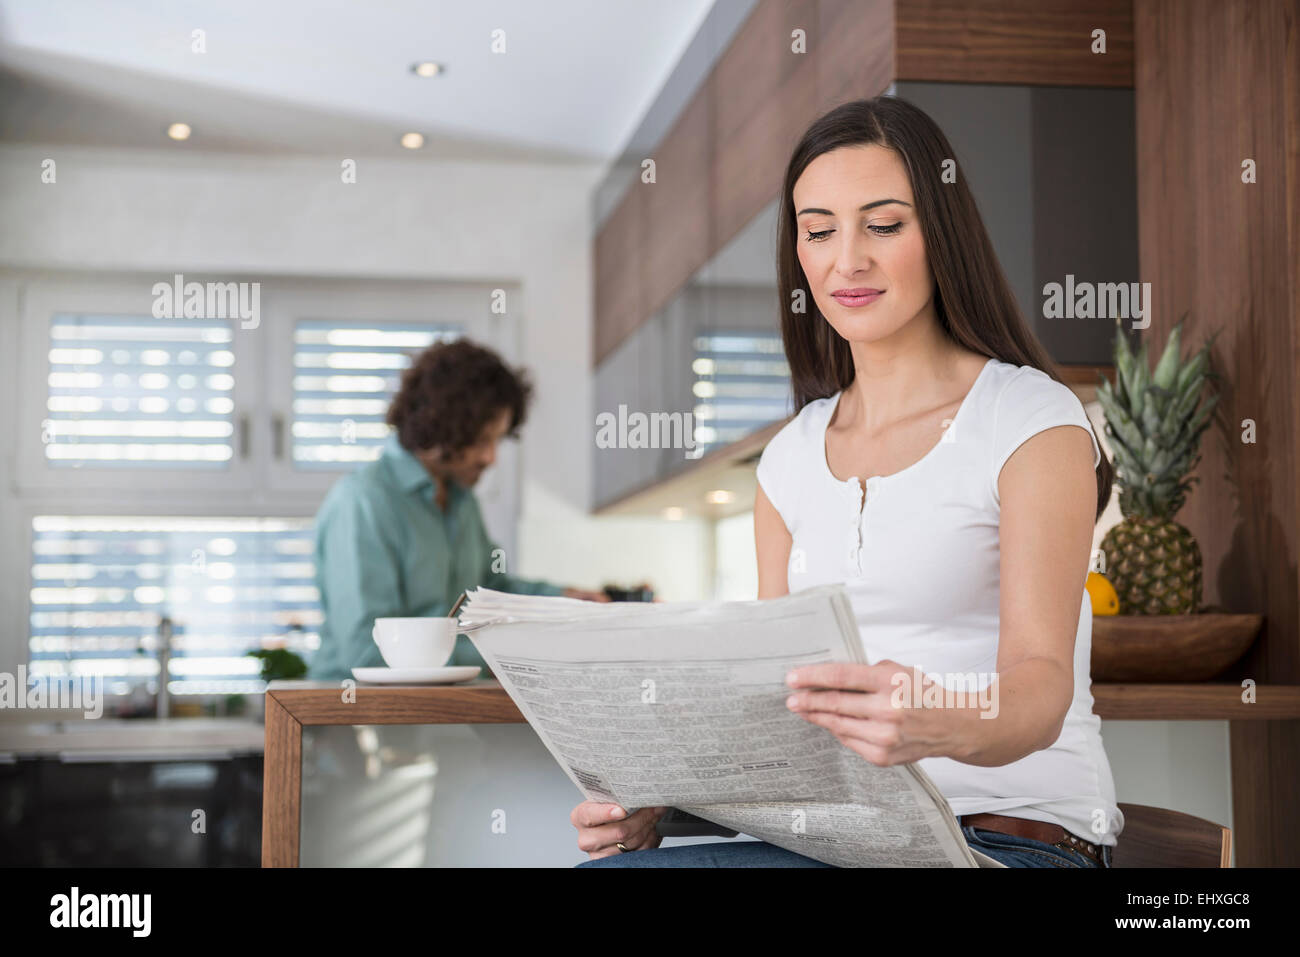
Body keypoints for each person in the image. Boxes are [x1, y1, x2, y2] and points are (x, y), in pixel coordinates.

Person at [572, 95, 1123, 868]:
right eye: (820, 230)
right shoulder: (790, 458)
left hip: (1009, 836)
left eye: (885, 224)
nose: (847, 260)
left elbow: (1039, 686)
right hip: (839, 839)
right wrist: (666, 802)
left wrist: (938, 718)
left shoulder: (1030, 418)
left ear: (941, 232)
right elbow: (780, 709)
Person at [308, 339, 607, 681]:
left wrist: (562, 601)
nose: (490, 458)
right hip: (355, 721)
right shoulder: (363, 503)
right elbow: (367, 651)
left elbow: (487, 586)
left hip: (433, 718)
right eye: (481, 441)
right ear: (440, 426)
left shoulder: (461, 500)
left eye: (497, 441)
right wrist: (508, 650)